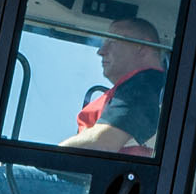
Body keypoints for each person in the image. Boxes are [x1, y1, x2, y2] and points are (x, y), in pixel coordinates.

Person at [59, 16, 168, 154]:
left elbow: (101, 144)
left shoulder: (143, 87)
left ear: (141, 47)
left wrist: (46, 157)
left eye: (112, 41)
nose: (101, 51)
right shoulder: (146, 88)